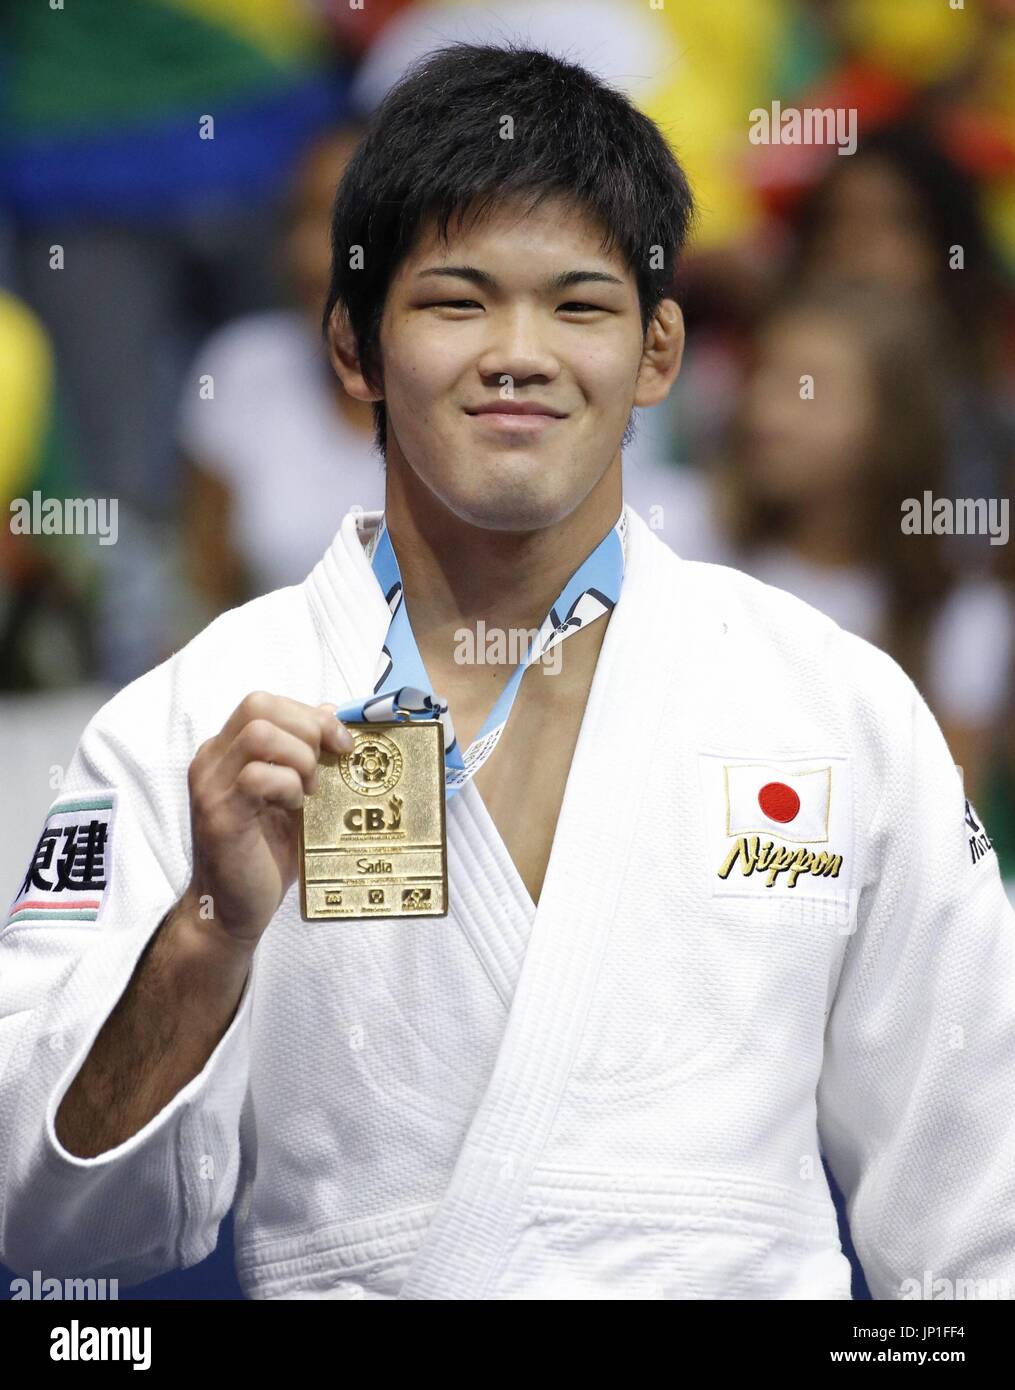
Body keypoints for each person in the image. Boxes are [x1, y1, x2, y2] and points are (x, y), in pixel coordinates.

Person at [2, 43, 1013, 1302]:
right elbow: (40, 1216)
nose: (519, 352)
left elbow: (983, 1214)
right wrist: (207, 933)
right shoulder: (205, 718)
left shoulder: (832, 703)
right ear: (355, 350)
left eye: (580, 305)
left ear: (658, 354)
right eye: (457, 301)